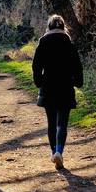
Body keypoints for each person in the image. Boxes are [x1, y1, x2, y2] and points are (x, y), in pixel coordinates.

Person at [32, 14, 84, 168]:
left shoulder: (43, 42)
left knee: (51, 123)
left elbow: (36, 66)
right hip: (65, 87)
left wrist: (38, 82)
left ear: (49, 27)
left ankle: (54, 151)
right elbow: (77, 67)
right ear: (63, 27)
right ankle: (59, 151)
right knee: (62, 123)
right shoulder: (69, 43)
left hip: (48, 87)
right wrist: (78, 82)